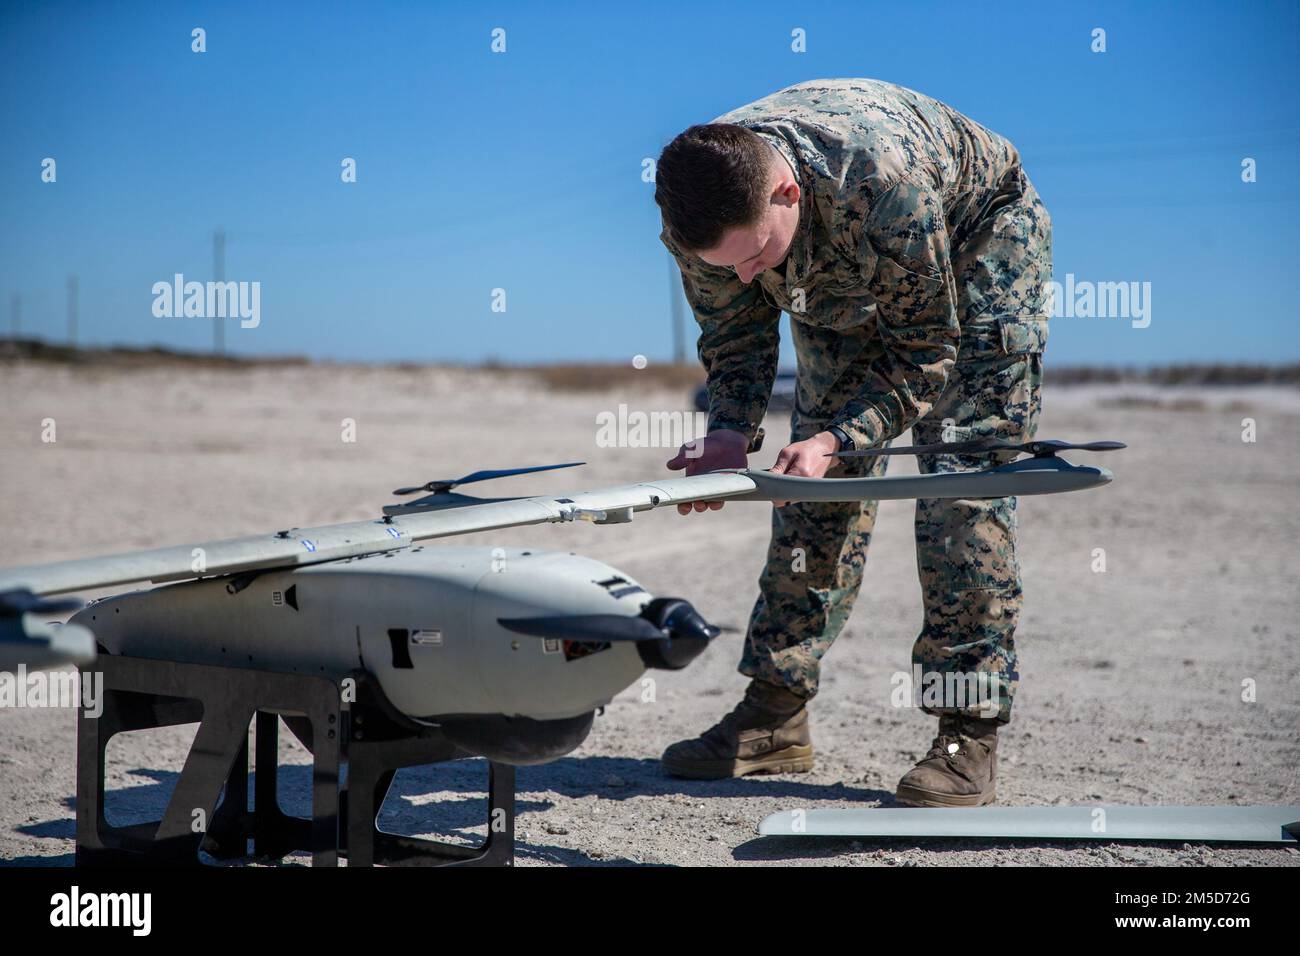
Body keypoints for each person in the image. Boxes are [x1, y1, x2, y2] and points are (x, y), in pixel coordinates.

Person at [654, 78, 1051, 807]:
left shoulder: (882, 179)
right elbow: (734, 331)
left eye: (754, 256)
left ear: (785, 193)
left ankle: (967, 733)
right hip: (838, 262)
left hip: (974, 241)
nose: (745, 276)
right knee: (811, 487)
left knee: (958, 485)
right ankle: (775, 714)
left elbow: (926, 349)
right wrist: (730, 431)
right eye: (727, 266)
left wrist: (842, 435)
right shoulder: (700, 208)